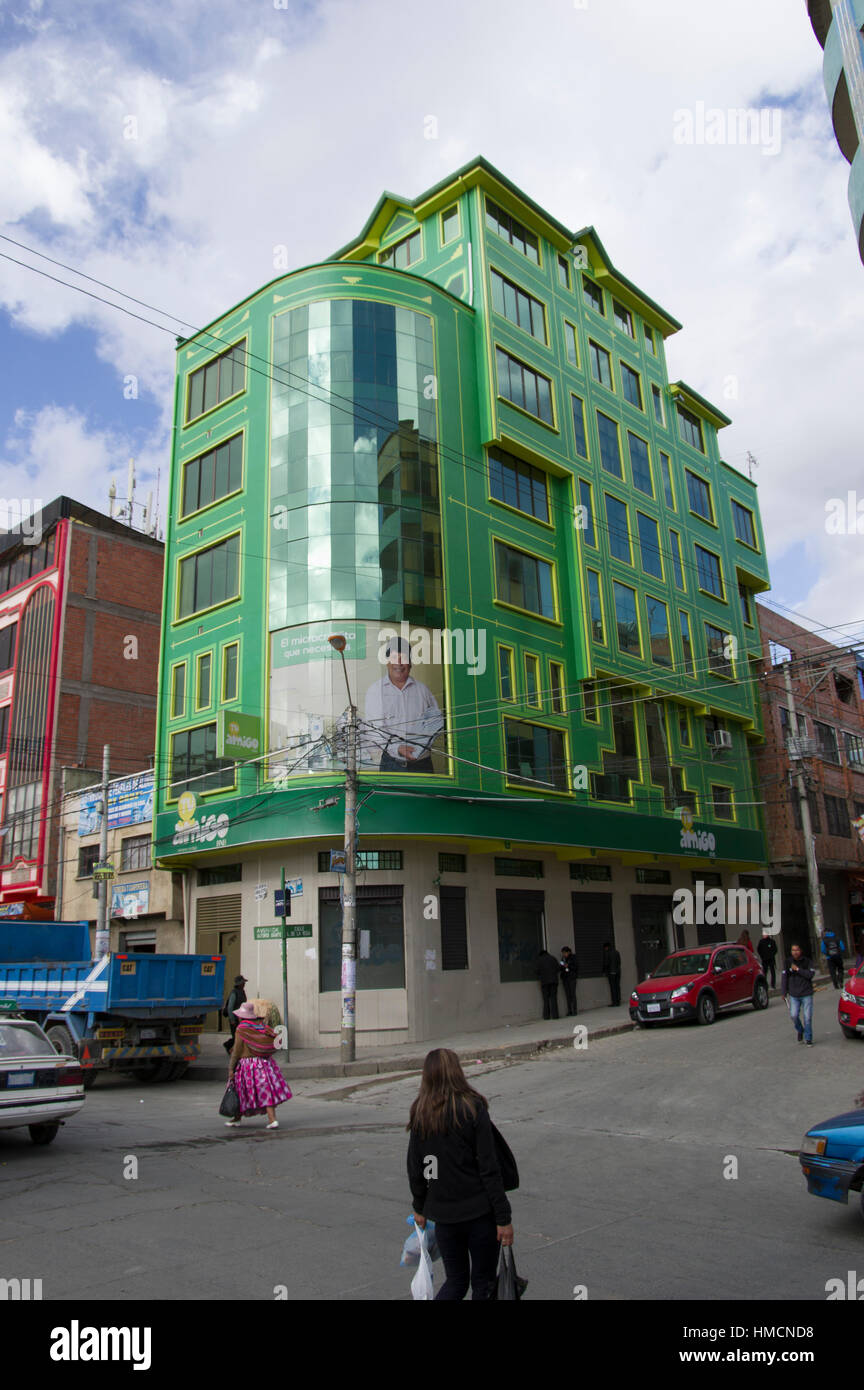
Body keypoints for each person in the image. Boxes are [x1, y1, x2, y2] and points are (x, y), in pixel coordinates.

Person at [407, 1048, 513, 1301]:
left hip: (444, 1216)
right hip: (480, 1214)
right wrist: (503, 1218)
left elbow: (417, 1169)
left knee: (456, 1281)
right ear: (457, 1072)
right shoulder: (473, 1108)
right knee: (483, 1283)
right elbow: (489, 1167)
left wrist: (420, 1207)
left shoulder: (421, 1113)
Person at [363, 638, 444, 772]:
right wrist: (398, 748)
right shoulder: (376, 691)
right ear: (388, 662)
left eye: (403, 657)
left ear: (410, 663)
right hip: (392, 764)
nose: (399, 663)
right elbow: (374, 730)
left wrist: (423, 744)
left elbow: (436, 721)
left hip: (422, 764)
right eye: (394, 657)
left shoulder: (423, 690)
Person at [226, 1000, 292, 1128]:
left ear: (241, 1016)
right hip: (264, 1063)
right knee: (266, 1091)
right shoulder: (261, 1026)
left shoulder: (242, 1029)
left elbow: (237, 1051)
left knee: (241, 1091)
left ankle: (237, 1118)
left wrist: (231, 1068)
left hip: (247, 1065)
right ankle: (272, 1119)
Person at [781, 943, 816, 1046]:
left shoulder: (807, 962)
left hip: (806, 993)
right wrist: (784, 992)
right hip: (793, 994)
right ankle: (800, 1030)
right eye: (793, 950)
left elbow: (810, 975)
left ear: (800, 951)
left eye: (797, 950)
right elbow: (784, 978)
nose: (795, 952)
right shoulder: (788, 962)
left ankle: (808, 1038)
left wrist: (798, 969)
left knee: (807, 1017)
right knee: (794, 1015)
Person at [222, 974, 247, 1055]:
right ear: (239, 984)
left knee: (239, 1035)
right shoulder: (234, 993)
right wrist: (232, 1020)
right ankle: (229, 1046)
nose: (244, 984)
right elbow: (230, 1008)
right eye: (243, 983)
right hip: (235, 1019)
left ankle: (230, 1046)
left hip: (241, 1018)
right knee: (237, 1036)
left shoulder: (242, 992)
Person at [534, 949, 561, 1020]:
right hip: (554, 981)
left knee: (546, 999)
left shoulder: (539, 960)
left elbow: (536, 971)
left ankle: (546, 1016)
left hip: (544, 982)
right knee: (553, 998)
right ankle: (555, 1016)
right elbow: (558, 968)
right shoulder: (553, 958)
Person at [559, 946, 579, 1016]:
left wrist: (568, 966)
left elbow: (576, 967)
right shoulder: (563, 959)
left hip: (572, 978)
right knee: (567, 995)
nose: (564, 954)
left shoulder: (573, 958)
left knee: (572, 994)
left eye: (564, 953)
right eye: (563, 953)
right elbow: (560, 966)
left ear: (568, 952)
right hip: (565, 978)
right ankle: (569, 1010)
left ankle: (574, 1010)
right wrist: (562, 965)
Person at [602, 942, 622, 1006]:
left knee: (613, 987)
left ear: (606, 947)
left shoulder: (607, 953)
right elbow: (619, 961)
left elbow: (606, 963)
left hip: (611, 972)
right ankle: (618, 1001)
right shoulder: (616, 952)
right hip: (618, 971)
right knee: (617, 986)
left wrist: (604, 971)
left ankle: (614, 1002)